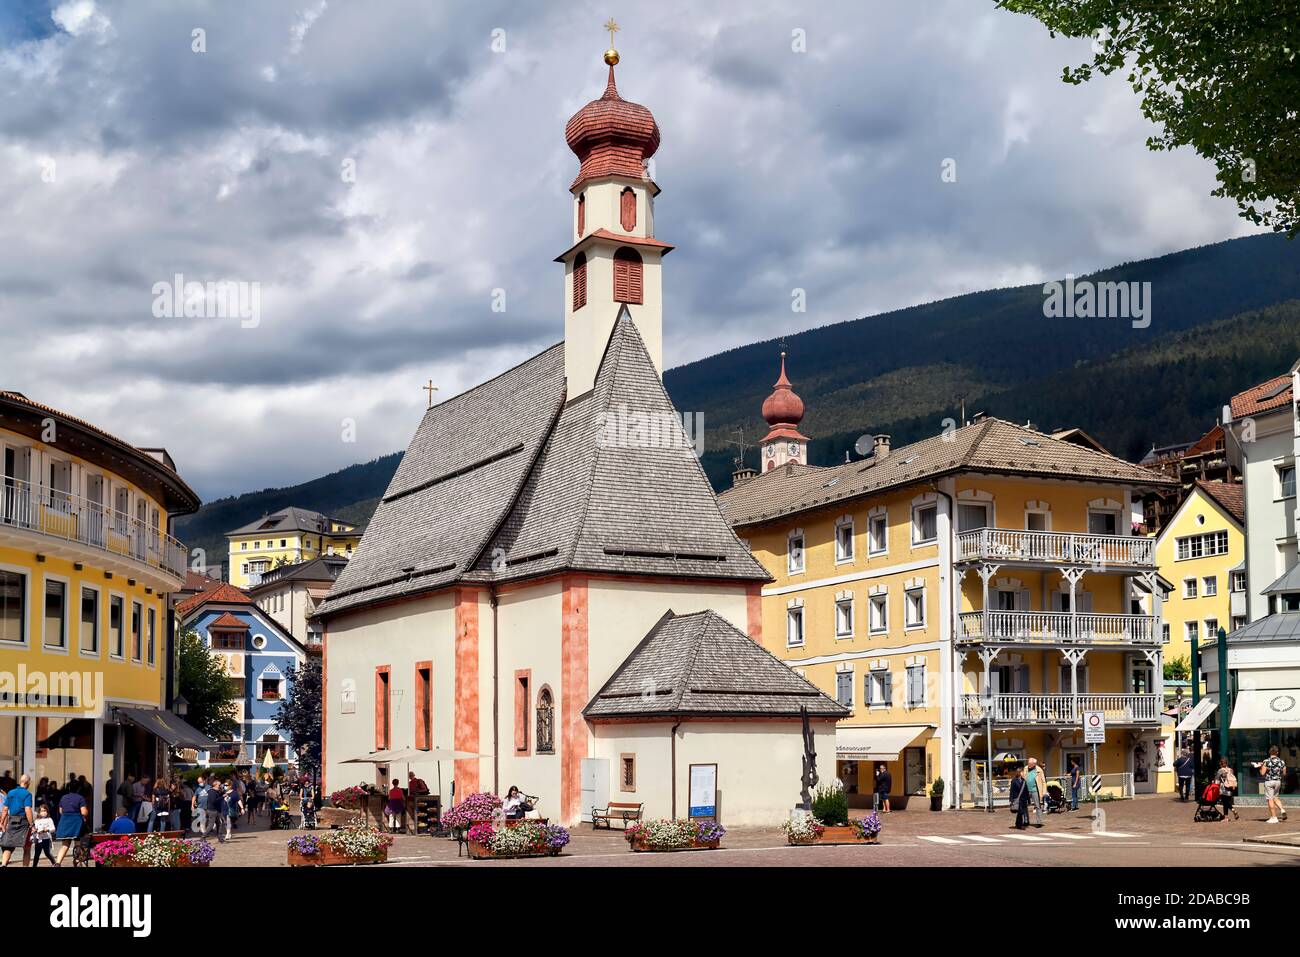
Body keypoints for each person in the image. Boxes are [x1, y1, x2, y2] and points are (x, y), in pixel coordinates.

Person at [0, 773, 34, 867]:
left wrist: (2, 823)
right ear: (28, 783)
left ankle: (3, 864)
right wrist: (32, 824)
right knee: (27, 848)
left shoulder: (11, 792)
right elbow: (28, 809)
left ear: (20, 781)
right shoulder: (27, 794)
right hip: (24, 822)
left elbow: (5, 809)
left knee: (9, 845)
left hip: (12, 820)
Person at [1252, 745, 1288, 824]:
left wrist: (1260, 767)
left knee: (1270, 799)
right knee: (1275, 797)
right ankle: (1282, 809)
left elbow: (1262, 773)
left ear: (1269, 752)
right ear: (1277, 752)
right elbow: (1284, 773)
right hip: (1278, 781)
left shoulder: (1266, 761)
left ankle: (1274, 817)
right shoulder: (1282, 761)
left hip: (1269, 781)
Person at [53, 786, 88, 865]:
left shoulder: (63, 797)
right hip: (76, 823)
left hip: (65, 822)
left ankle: (57, 863)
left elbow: (61, 811)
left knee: (65, 845)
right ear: (78, 789)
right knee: (78, 842)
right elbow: (84, 812)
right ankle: (77, 860)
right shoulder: (80, 798)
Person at [1024, 757, 1047, 827]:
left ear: (1034, 764)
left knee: (1037, 806)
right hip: (1026, 790)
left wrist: (1044, 791)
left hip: (1035, 790)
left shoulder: (1039, 770)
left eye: (1030, 764)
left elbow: (1043, 781)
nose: (1028, 765)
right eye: (1028, 763)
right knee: (1024, 806)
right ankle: (1026, 821)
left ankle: (1039, 822)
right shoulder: (1026, 768)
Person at [1215, 757, 1239, 822]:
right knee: (1227, 802)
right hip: (1230, 788)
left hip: (1223, 789)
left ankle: (1227, 816)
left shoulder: (1220, 771)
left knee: (1225, 803)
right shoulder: (1231, 770)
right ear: (1227, 763)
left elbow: (1217, 781)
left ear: (1221, 763)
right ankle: (1228, 815)